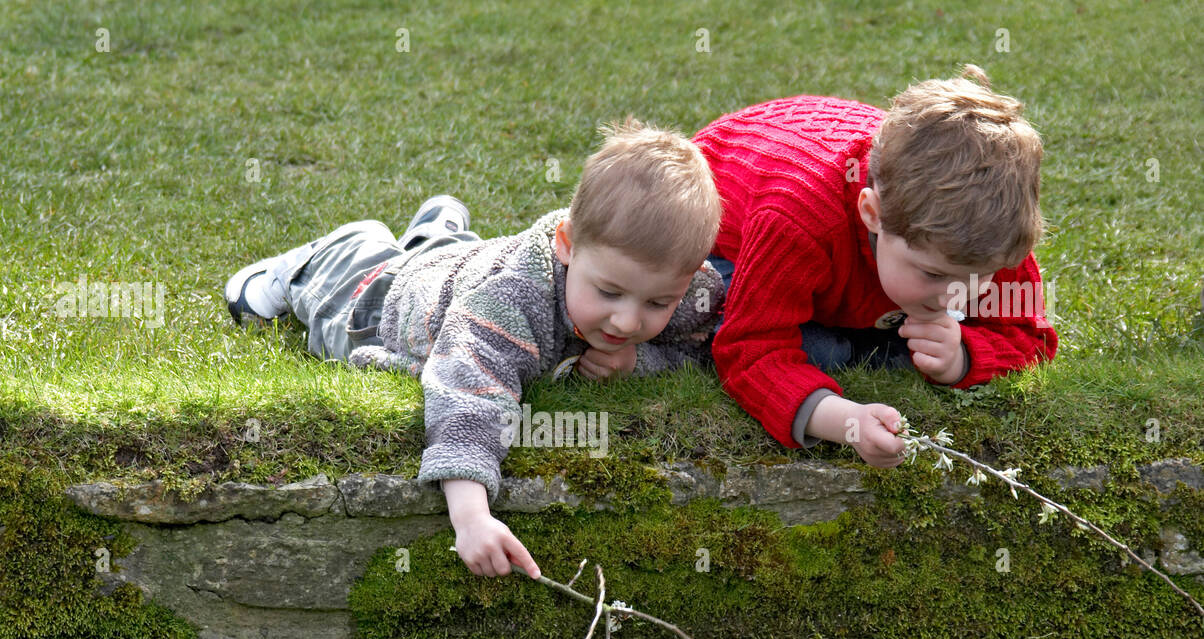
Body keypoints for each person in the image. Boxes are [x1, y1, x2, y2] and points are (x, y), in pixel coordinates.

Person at [223, 119, 725, 578]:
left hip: (460, 268)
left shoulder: (684, 284)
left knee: (447, 261)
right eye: (609, 293)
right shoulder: (510, 301)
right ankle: (307, 262)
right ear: (567, 244)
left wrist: (642, 360)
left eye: (658, 302)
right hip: (375, 302)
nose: (627, 320)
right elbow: (467, 394)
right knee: (347, 271)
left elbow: (705, 349)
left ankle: (434, 237)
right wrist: (471, 517)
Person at [693, 65, 1057, 467]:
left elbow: (1029, 335)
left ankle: (876, 327)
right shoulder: (798, 218)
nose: (958, 294)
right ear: (872, 213)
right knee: (818, 349)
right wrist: (845, 420)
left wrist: (961, 359)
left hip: (848, 256)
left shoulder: (989, 223)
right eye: (933, 274)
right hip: (721, 233)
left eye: (978, 278)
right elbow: (749, 350)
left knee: (898, 339)